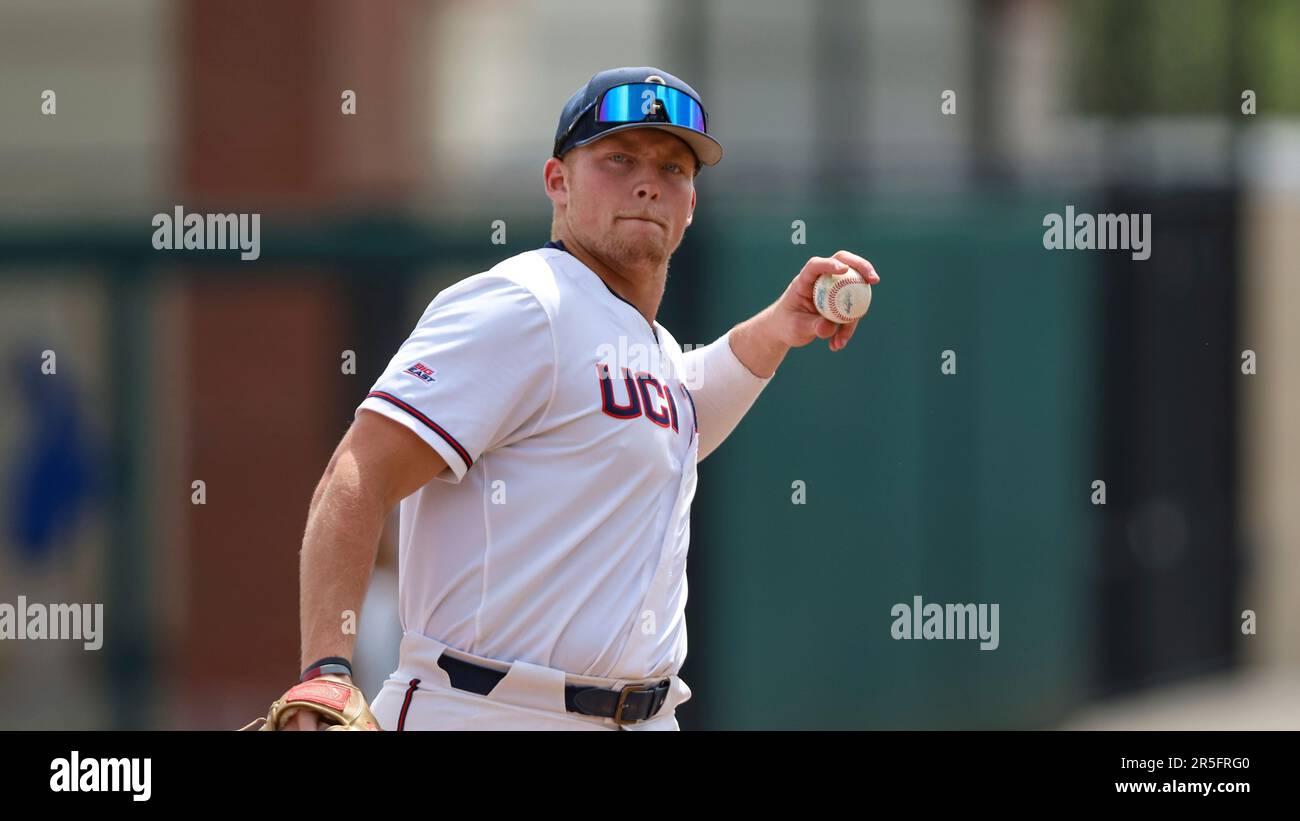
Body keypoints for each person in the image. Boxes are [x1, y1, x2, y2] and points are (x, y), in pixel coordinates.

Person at [286, 66, 879, 730]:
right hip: (489, 707)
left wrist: (778, 326)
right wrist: (328, 670)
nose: (649, 181)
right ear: (557, 182)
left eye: (674, 167)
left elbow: (672, 420)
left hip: (644, 713)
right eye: (618, 158)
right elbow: (359, 470)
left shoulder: (642, 342)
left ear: (690, 204)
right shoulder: (524, 302)